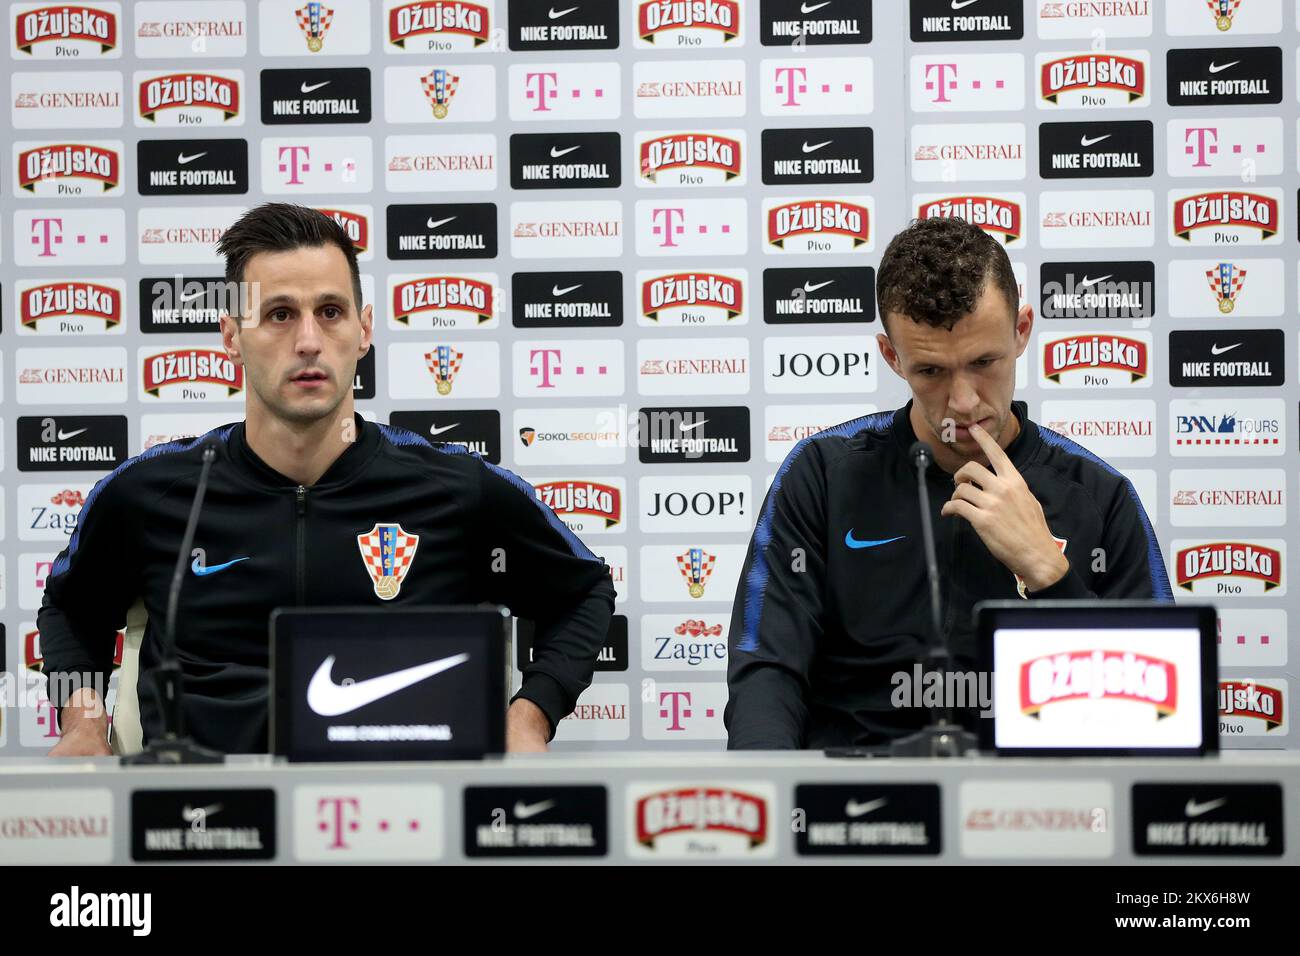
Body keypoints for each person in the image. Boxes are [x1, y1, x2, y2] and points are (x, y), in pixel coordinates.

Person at [40, 202, 615, 756]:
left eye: (331, 312)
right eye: (280, 314)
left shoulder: (454, 487)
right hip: (206, 825)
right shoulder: (152, 492)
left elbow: (584, 589)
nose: (309, 340)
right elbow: (70, 610)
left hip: (405, 818)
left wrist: (529, 719)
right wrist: (83, 723)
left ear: (364, 331)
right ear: (232, 337)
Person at [725, 216, 1171, 749]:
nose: (962, 402)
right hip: (855, 808)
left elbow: (1160, 714)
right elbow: (767, 670)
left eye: (984, 362)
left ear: (1022, 331)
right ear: (893, 357)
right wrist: (775, 806)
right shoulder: (822, 473)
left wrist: (1051, 575)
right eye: (931, 372)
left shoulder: (1098, 494)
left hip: (1034, 812)